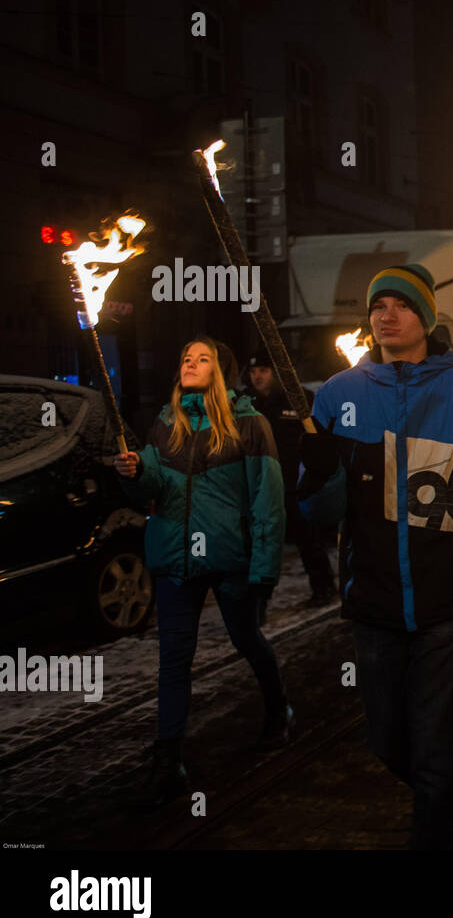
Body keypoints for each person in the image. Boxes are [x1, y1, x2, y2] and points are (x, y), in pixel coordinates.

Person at [297, 264, 453, 849]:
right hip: (372, 599)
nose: (386, 314)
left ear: (425, 316)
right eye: (379, 305)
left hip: (444, 598)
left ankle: (439, 817)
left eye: (401, 304)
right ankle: (447, 784)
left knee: (436, 742)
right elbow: (317, 515)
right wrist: (316, 471)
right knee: (387, 740)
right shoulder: (338, 394)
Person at [114, 337, 291, 810]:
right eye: (185, 358)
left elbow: (267, 500)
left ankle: (278, 710)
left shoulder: (250, 424)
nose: (190, 364)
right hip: (175, 558)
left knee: (246, 638)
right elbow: (150, 489)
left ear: (220, 372)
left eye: (202, 359)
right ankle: (168, 760)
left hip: (229, 556)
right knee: (174, 660)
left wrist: (264, 568)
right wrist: (134, 472)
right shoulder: (165, 422)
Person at [243, 346, 337, 610]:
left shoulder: (297, 399)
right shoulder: (246, 403)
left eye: (263, 371)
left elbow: (318, 434)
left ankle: (323, 587)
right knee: (262, 545)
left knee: (307, 540)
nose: (257, 377)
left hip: (294, 484)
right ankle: (259, 602)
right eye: (253, 372)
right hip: (263, 486)